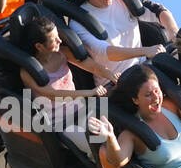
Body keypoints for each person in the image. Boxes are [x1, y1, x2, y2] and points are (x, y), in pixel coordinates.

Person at [70, 0, 179, 87]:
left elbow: (158, 11)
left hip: (145, 69)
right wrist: (145, 51)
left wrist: (174, 33)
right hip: (115, 84)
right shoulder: (79, 21)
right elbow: (105, 52)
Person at [14, 15, 111, 160]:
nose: (60, 40)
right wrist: (89, 93)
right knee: (98, 146)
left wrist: (112, 75)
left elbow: (90, 65)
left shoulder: (62, 53)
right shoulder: (28, 72)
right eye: (54, 40)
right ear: (39, 46)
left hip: (82, 110)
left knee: (113, 131)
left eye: (58, 36)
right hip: (62, 124)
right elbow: (52, 94)